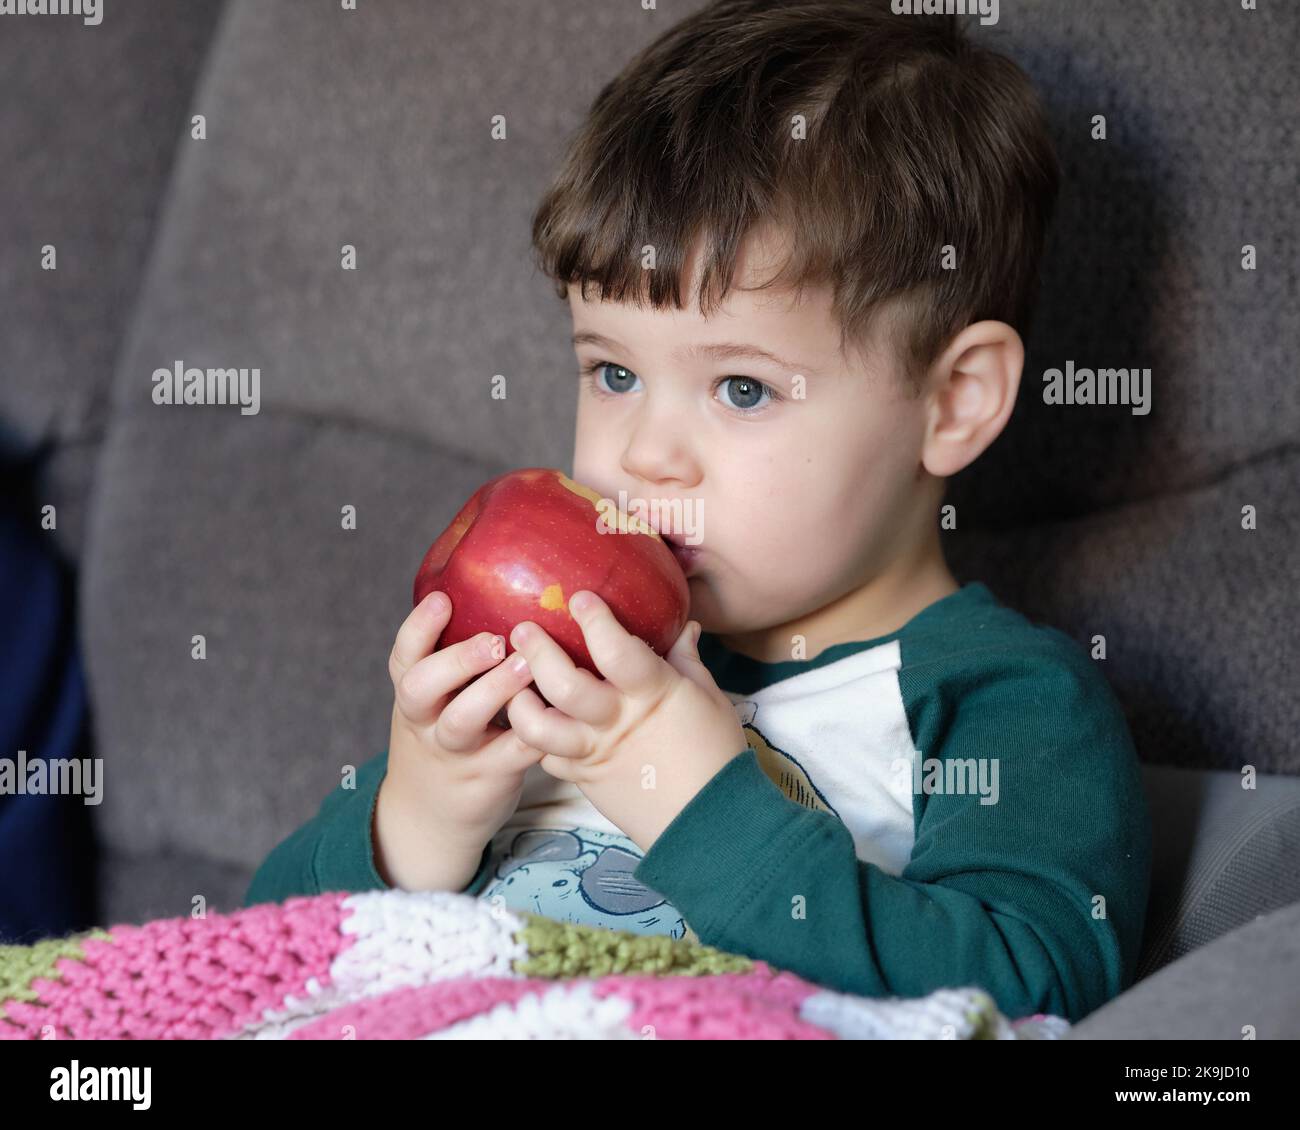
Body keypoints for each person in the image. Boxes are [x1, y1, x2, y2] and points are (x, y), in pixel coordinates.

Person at [246, 0, 1150, 1025]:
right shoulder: (565, 656)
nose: (644, 453)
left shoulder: (1001, 704)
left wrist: (696, 805)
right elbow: (250, 965)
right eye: (614, 371)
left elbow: (1033, 986)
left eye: (742, 388)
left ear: (954, 400)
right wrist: (416, 815)